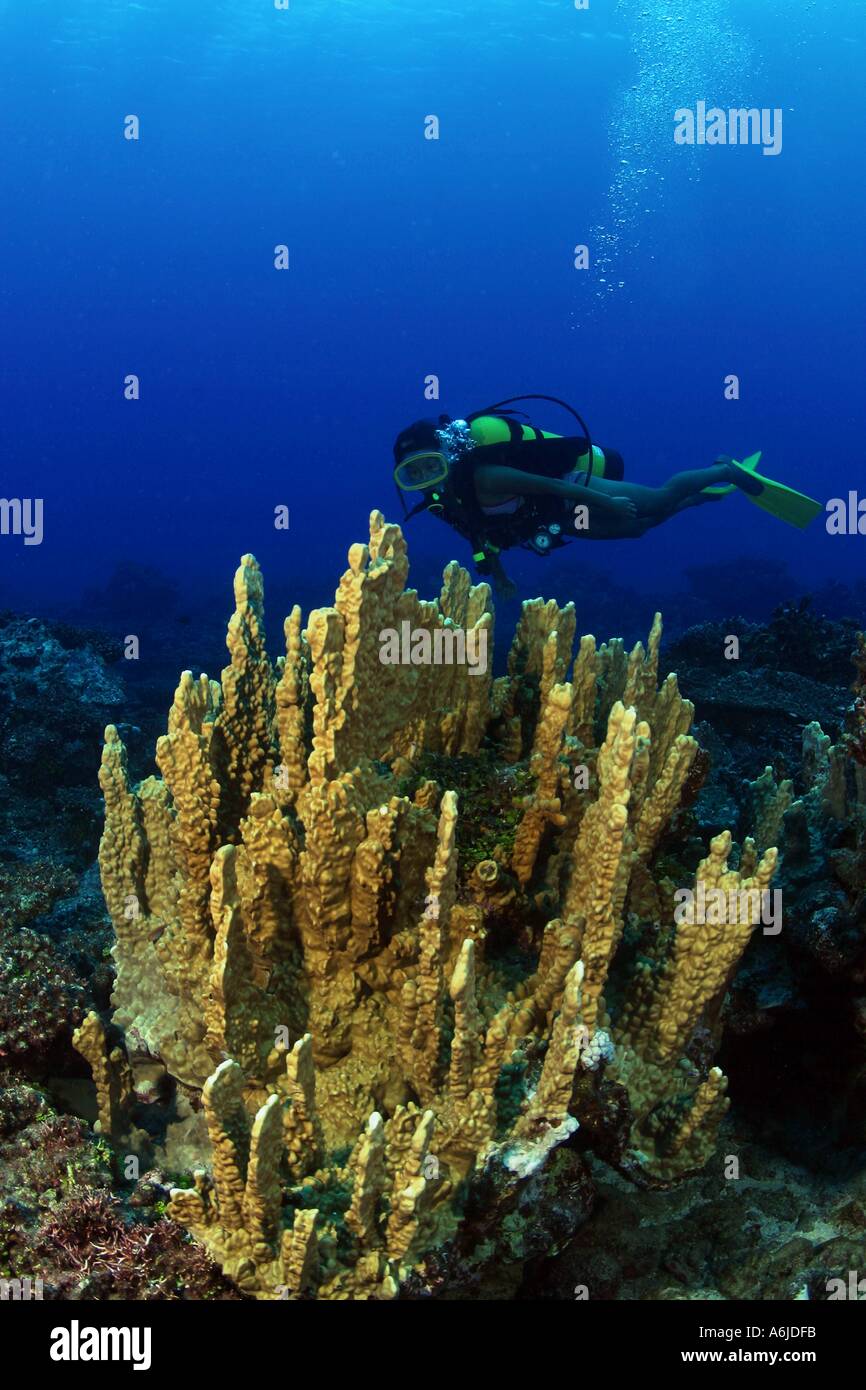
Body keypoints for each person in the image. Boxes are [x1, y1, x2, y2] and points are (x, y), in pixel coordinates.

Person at [392, 396, 822, 598]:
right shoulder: (443, 505)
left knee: (650, 502)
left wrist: (606, 502)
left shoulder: (484, 476)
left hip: (571, 485)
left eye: (431, 464)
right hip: (555, 518)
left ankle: (723, 468)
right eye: (414, 474)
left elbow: (551, 485)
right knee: (638, 529)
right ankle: (698, 497)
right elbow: (477, 537)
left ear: (448, 454)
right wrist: (499, 576)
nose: (428, 478)